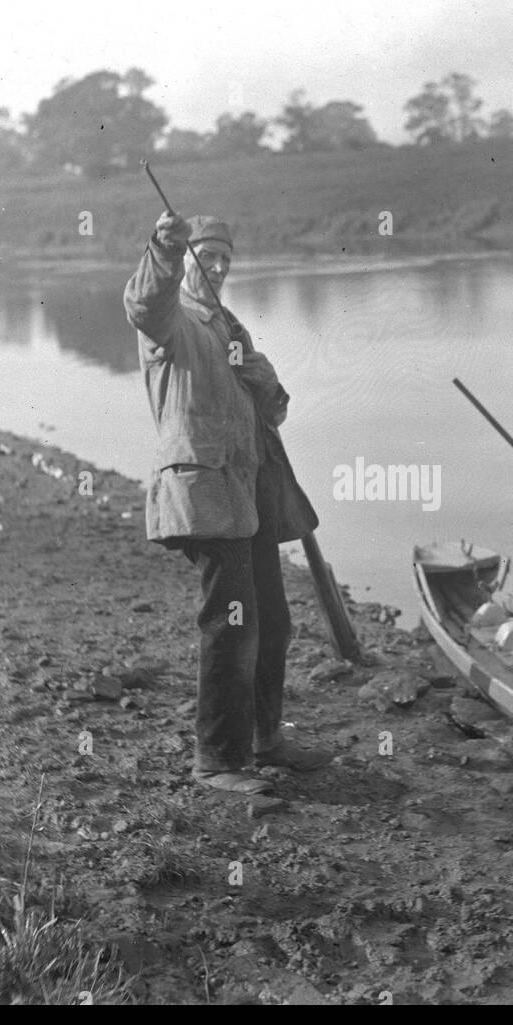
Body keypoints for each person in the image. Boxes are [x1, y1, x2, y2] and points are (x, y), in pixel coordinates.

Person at [124, 211, 331, 795]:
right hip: (203, 491)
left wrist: (263, 381)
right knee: (232, 625)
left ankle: (266, 740)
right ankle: (217, 762)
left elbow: (266, 406)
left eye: (223, 260)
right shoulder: (173, 322)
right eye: (204, 257)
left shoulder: (224, 327)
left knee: (274, 622)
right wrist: (163, 249)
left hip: (249, 491)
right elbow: (144, 304)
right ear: (187, 261)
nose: (215, 267)